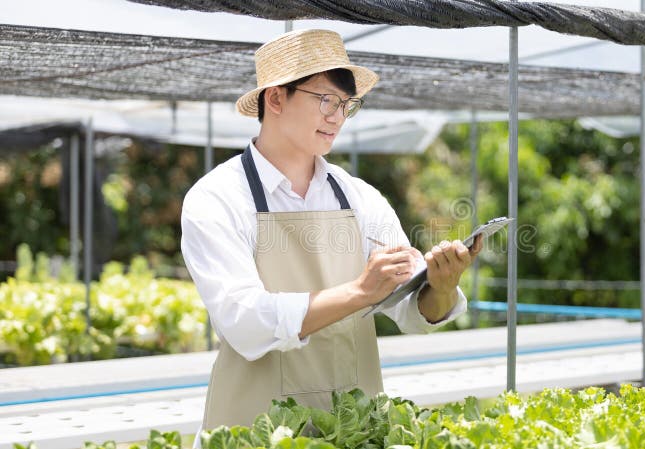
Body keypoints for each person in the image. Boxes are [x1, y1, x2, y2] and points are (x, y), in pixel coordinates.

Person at [180, 29, 483, 434]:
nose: (337, 117)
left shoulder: (361, 198)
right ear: (275, 98)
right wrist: (359, 292)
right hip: (256, 432)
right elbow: (244, 321)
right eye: (325, 100)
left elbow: (410, 312)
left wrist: (441, 288)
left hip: (352, 430)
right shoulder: (218, 198)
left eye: (346, 105)